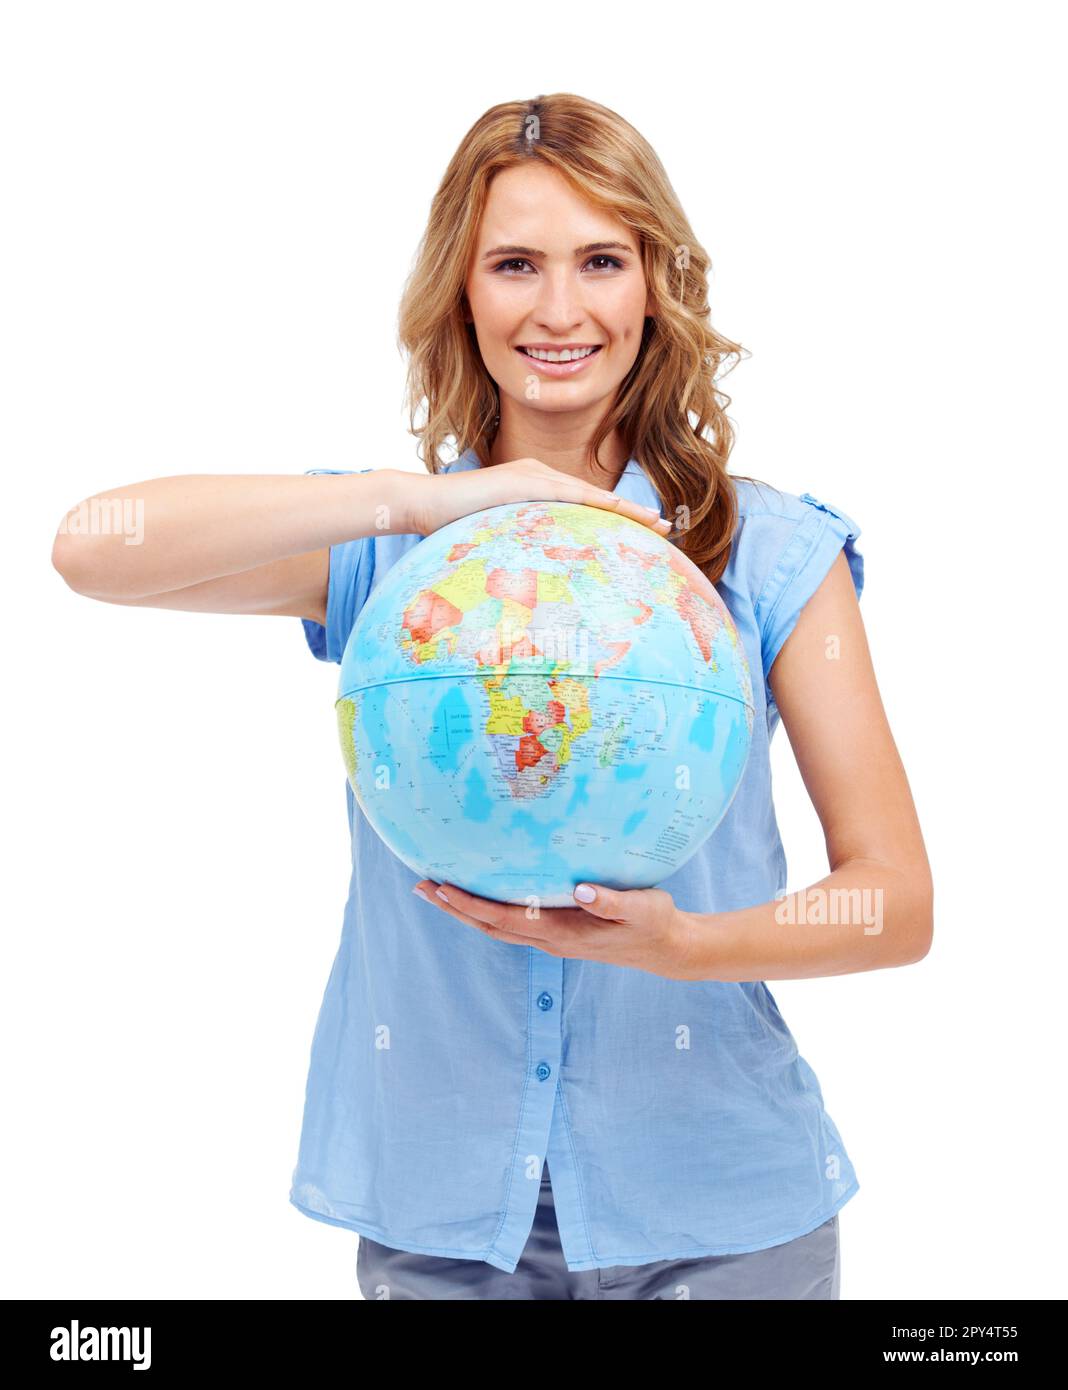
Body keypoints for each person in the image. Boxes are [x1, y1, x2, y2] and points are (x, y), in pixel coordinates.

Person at [52, 93, 933, 1301]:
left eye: (601, 261)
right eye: (514, 264)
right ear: (460, 294)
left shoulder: (766, 553)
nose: (559, 309)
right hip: (444, 1219)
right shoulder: (390, 555)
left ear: (654, 286)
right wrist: (413, 502)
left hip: (721, 1217)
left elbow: (893, 899)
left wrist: (687, 947)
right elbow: (92, 545)